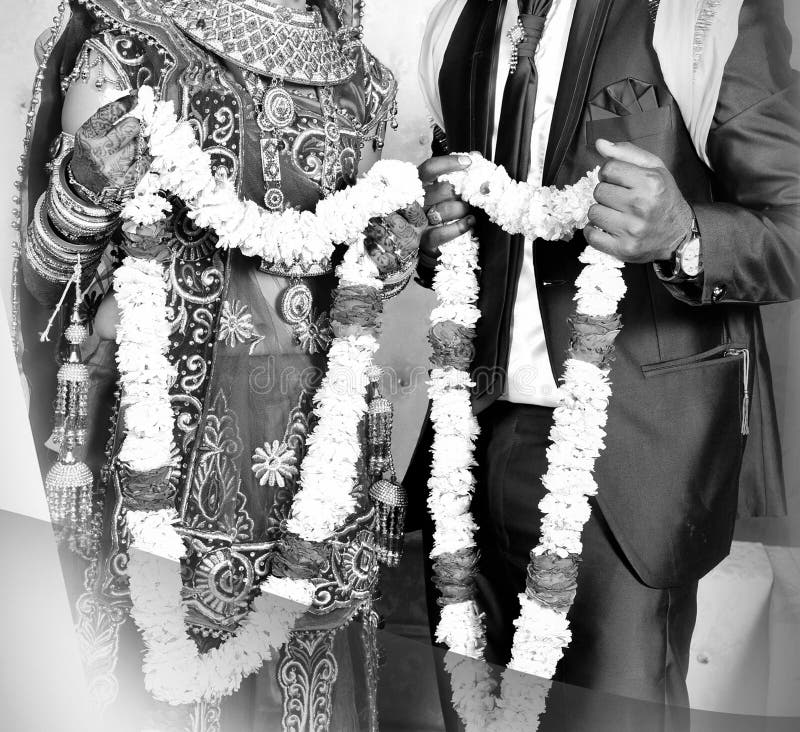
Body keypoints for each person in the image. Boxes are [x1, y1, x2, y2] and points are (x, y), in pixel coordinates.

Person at [16, 1, 467, 729]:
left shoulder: (363, 78)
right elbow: (52, 276)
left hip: (323, 462)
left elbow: (342, 272)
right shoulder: (133, 52)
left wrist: (387, 253)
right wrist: (84, 191)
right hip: (174, 461)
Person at [407, 0, 800, 729]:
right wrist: (436, 234)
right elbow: (466, 240)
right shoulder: (454, 22)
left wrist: (685, 232)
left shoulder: (705, 13)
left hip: (629, 468)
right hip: (466, 452)